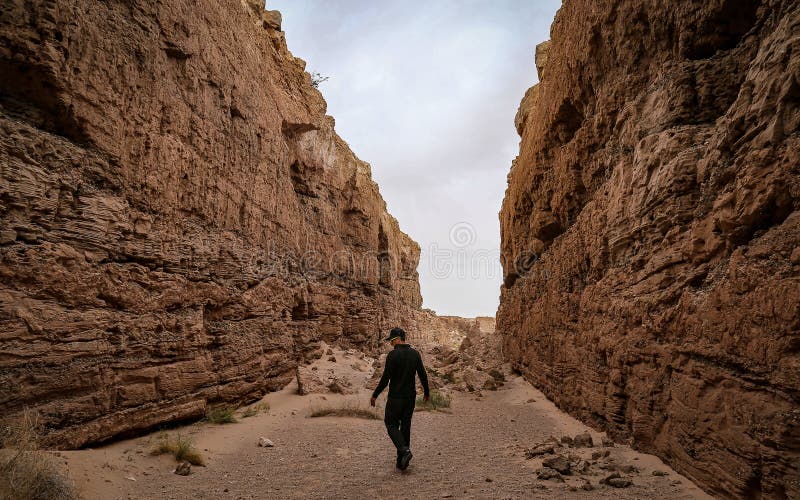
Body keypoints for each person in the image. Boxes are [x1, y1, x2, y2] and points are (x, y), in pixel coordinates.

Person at [370, 327, 430, 470]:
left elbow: (386, 379)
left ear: (397, 338)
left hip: (395, 397)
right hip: (410, 398)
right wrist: (427, 392)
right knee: (405, 426)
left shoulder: (392, 355)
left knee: (390, 424)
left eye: (391, 340)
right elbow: (422, 374)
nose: (391, 343)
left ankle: (404, 451)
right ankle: (401, 462)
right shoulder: (415, 354)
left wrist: (375, 394)